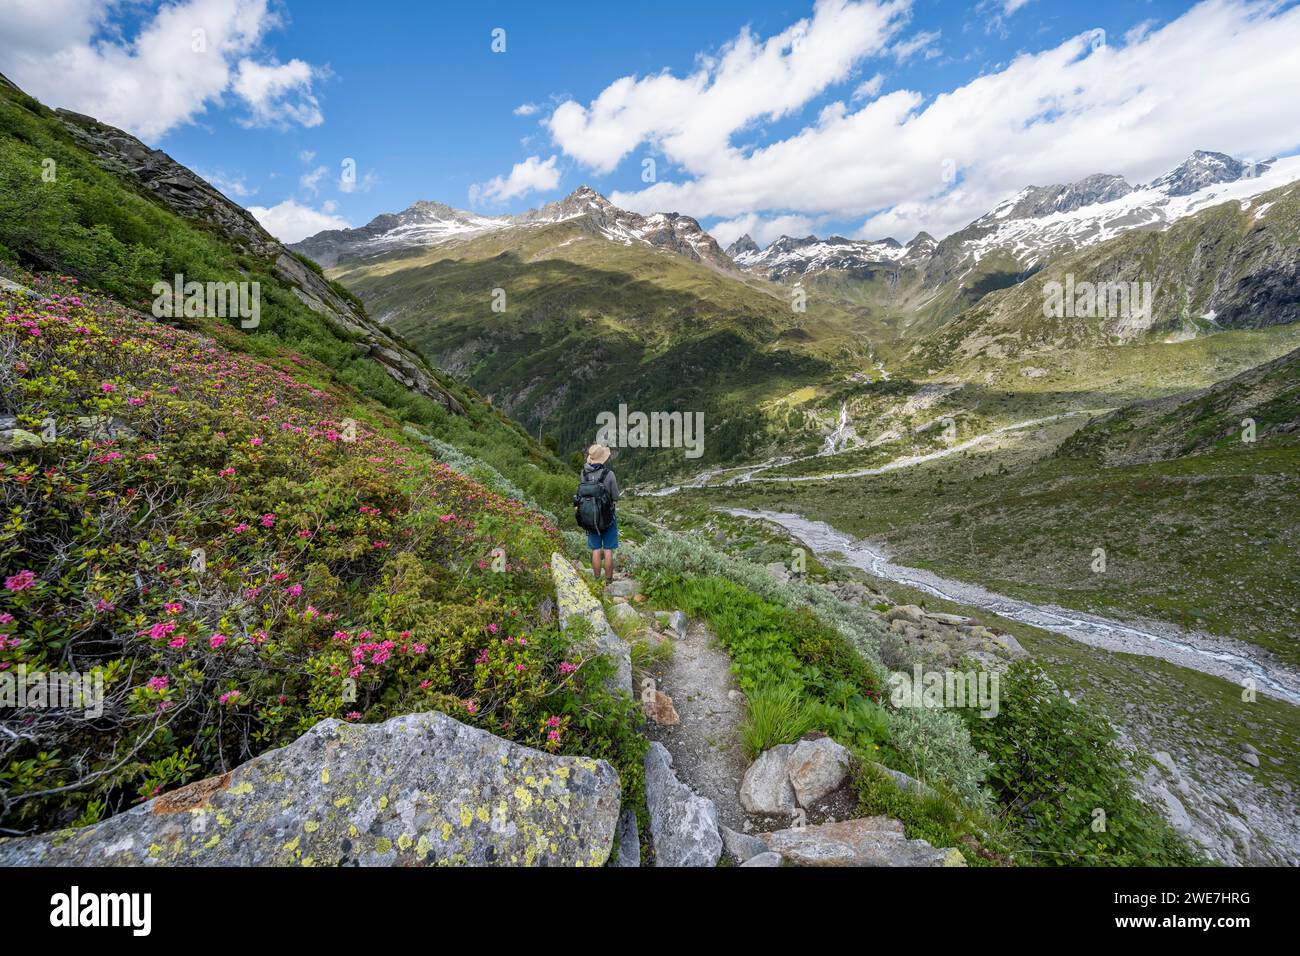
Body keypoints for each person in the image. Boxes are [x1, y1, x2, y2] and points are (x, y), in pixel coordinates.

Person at [578, 443, 620, 583]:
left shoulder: (583, 473)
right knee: (608, 549)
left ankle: (596, 579)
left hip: (590, 517)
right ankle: (608, 580)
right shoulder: (609, 474)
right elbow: (615, 496)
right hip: (607, 517)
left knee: (595, 549)